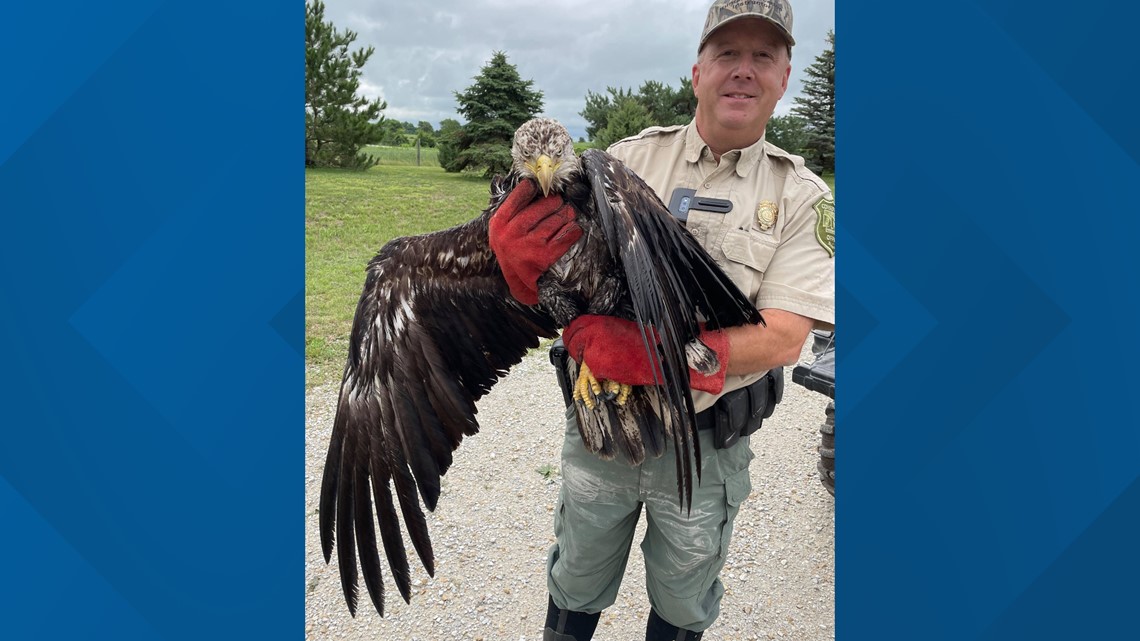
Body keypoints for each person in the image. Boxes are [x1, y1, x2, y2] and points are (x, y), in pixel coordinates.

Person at [488, 1, 834, 639]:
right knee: (576, 580)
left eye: (763, 56)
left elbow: (785, 339)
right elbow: (560, 293)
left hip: (703, 444)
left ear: (785, 77)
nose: (743, 70)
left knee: (682, 600)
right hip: (601, 428)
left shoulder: (801, 196)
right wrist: (519, 274)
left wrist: (654, 357)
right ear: (697, 72)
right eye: (727, 54)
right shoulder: (623, 161)